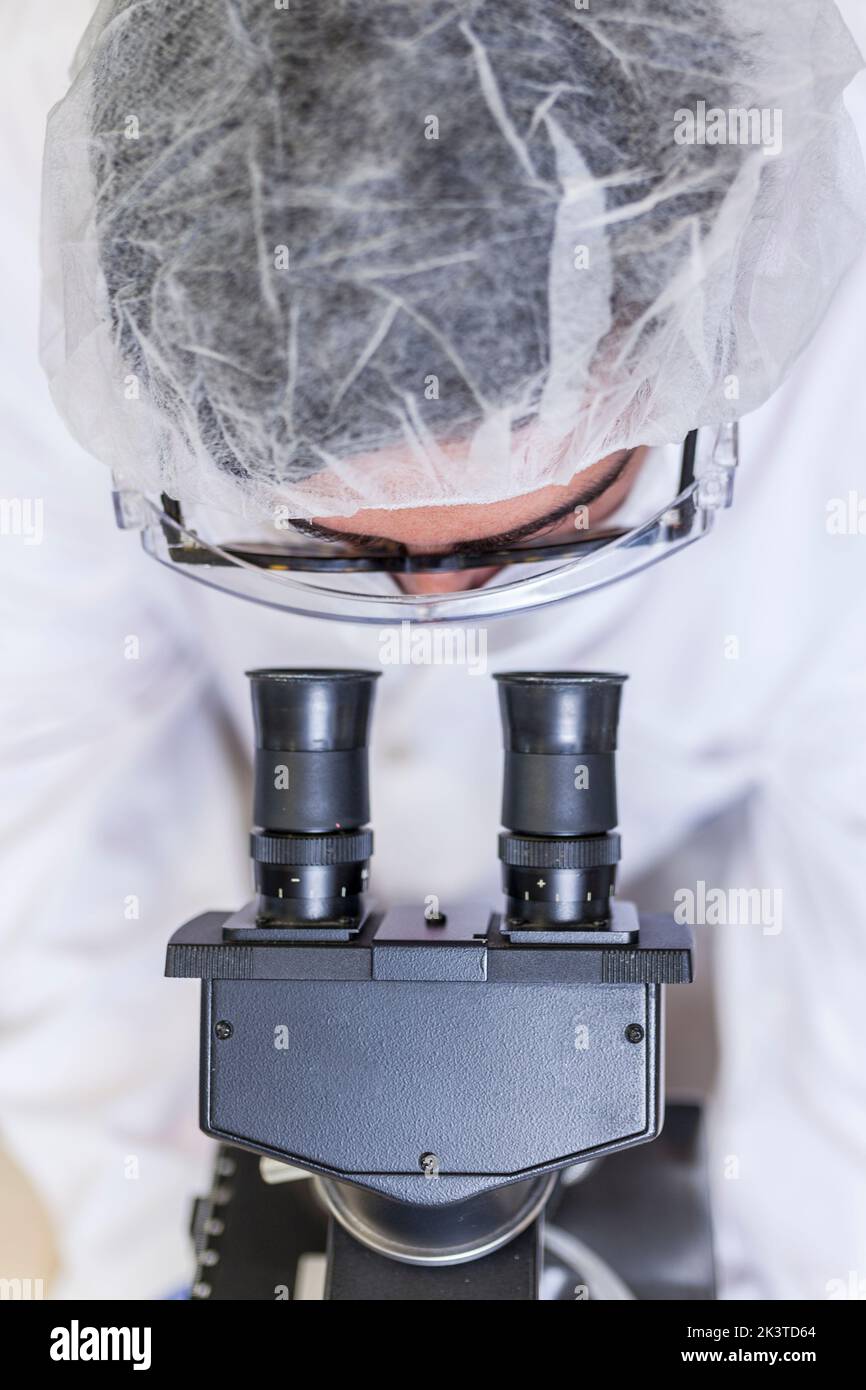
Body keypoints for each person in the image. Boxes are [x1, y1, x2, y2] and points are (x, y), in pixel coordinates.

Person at [2, 0, 865, 1298]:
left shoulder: (813, 308)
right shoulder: (71, 206)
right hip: (253, 889)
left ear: (709, 318)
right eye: (336, 542)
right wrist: (138, 1266)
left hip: (708, 901)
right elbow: (50, 768)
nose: (433, 614)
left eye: (556, 516)